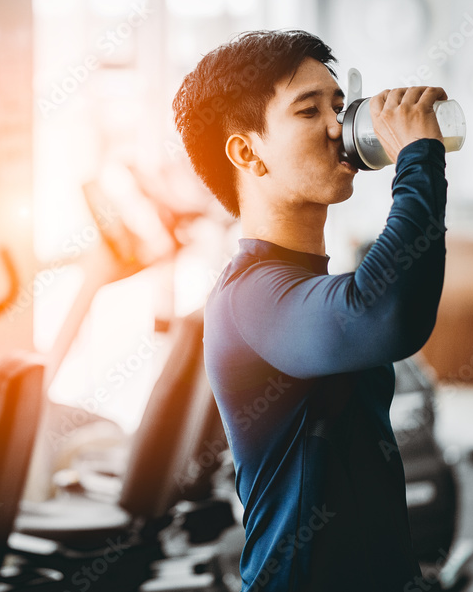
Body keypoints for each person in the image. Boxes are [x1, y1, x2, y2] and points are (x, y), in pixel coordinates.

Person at [172, 29, 448, 591]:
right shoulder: (250, 297)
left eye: (340, 108)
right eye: (308, 111)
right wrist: (418, 159)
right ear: (248, 152)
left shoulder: (299, 280)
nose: (337, 129)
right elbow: (385, 314)